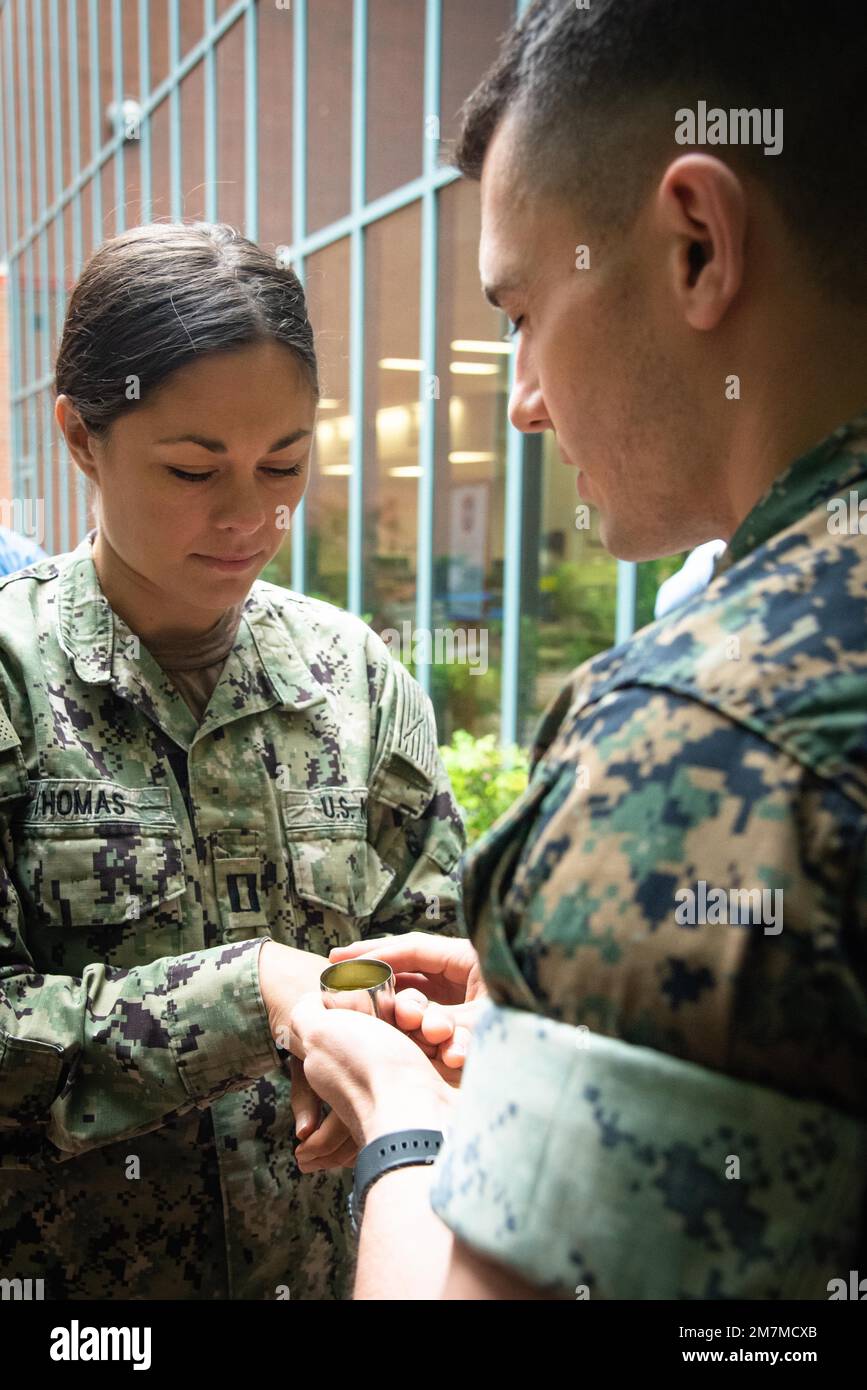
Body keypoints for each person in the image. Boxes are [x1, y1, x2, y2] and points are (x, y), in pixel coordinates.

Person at [285, 0, 867, 1300]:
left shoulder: (700, 734)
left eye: (519, 308)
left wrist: (402, 1122)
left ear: (694, 247)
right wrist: (558, 1032)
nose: (526, 397)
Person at [0, 222, 466, 1300]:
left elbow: (431, 947)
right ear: (81, 437)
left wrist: (374, 1039)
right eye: (193, 467)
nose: (251, 514)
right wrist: (247, 993)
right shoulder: (15, 684)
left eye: (285, 464)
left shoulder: (355, 680)